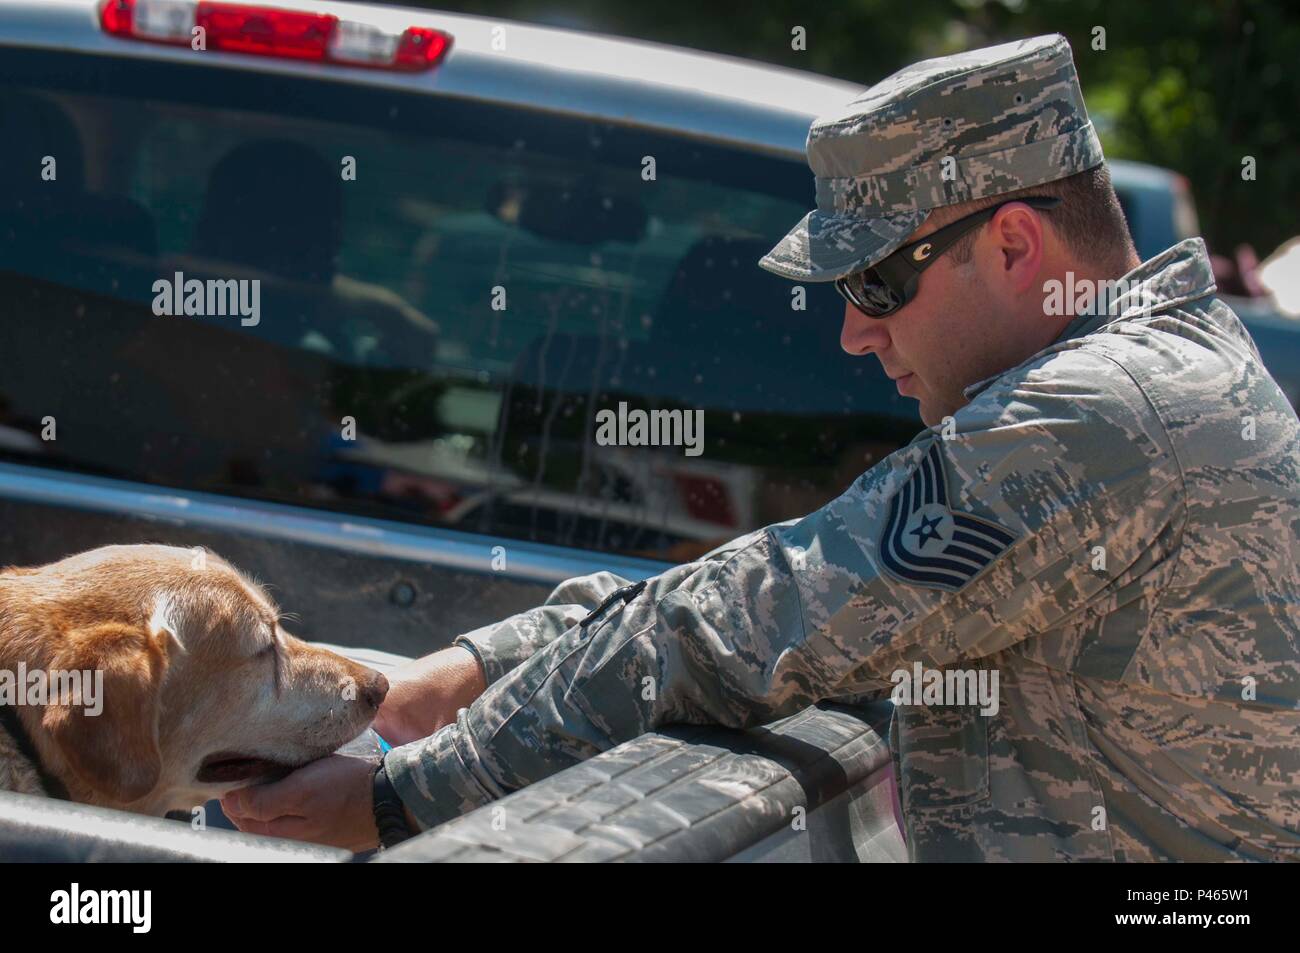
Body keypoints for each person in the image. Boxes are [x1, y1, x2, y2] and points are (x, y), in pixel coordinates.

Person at [222, 34, 1300, 861]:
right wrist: (459, 675)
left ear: (1014, 243)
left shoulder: (1100, 410)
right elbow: (775, 580)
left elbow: (757, 617)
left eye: (877, 281)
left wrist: (397, 799)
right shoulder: (1154, 383)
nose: (854, 329)